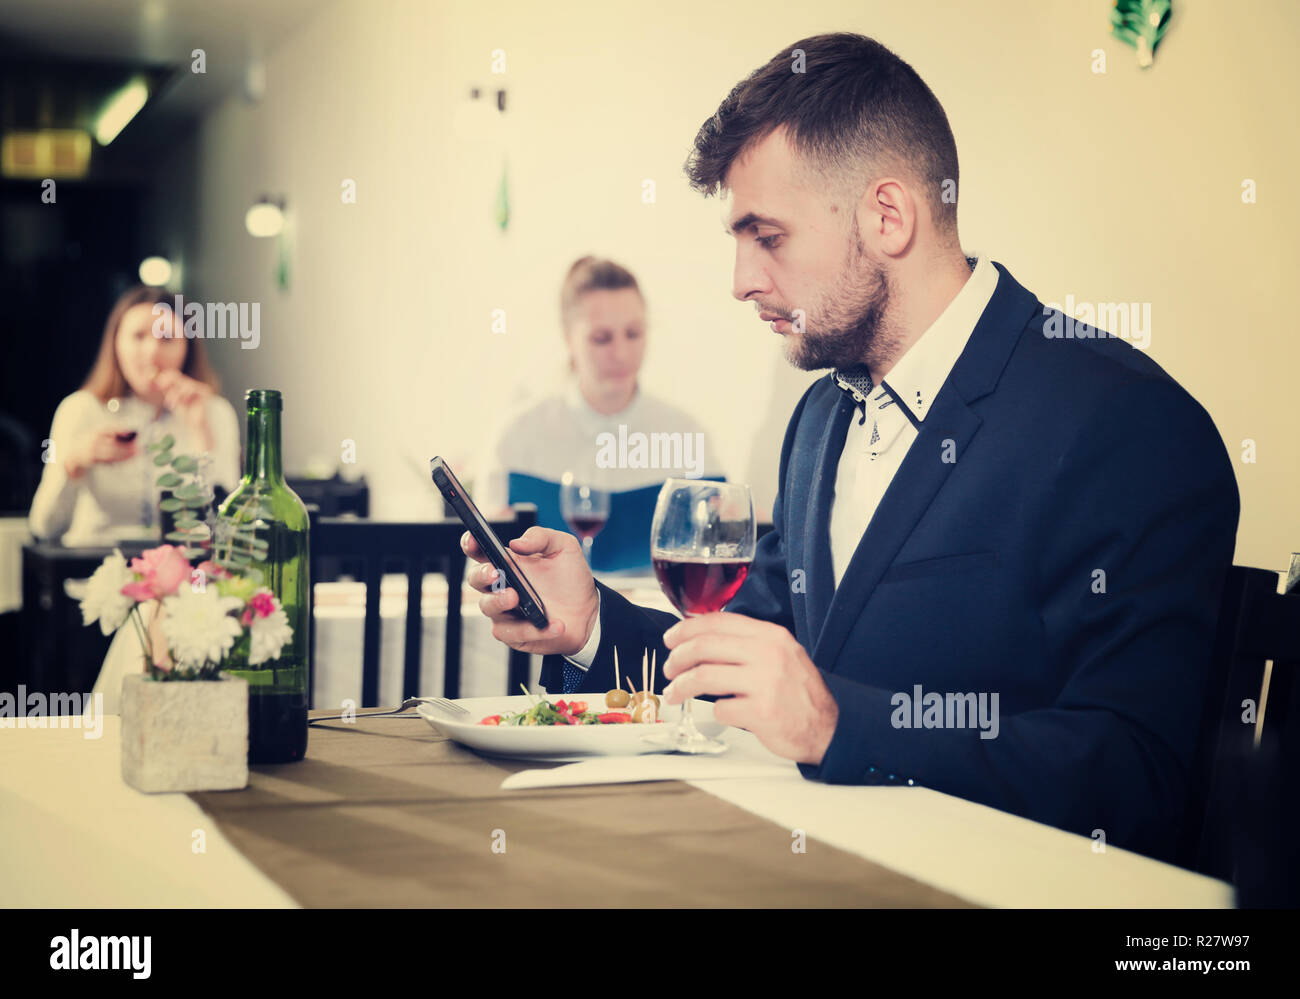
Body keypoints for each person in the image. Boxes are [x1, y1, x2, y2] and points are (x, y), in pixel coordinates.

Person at [461, 32, 1240, 867]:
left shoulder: (1127, 424)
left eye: (767, 236)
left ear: (887, 216)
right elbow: (743, 658)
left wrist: (841, 724)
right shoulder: (820, 422)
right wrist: (586, 625)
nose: (740, 280)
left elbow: (1139, 775)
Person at [475, 256, 724, 572]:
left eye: (633, 334)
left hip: (661, 618)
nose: (621, 354)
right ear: (568, 338)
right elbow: (486, 563)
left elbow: (718, 554)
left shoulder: (688, 436)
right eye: (601, 338)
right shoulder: (516, 438)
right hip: (552, 616)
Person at [28, 285, 241, 546]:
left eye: (166, 338)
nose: (152, 352)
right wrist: (73, 463)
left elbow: (223, 525)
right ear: (116, 343)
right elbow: (43, 527)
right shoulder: (80, 409)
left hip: (179, 574)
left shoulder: (214, 411)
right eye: (138, 336)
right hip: (93, 570)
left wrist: (201, 432)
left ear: (187, 346)